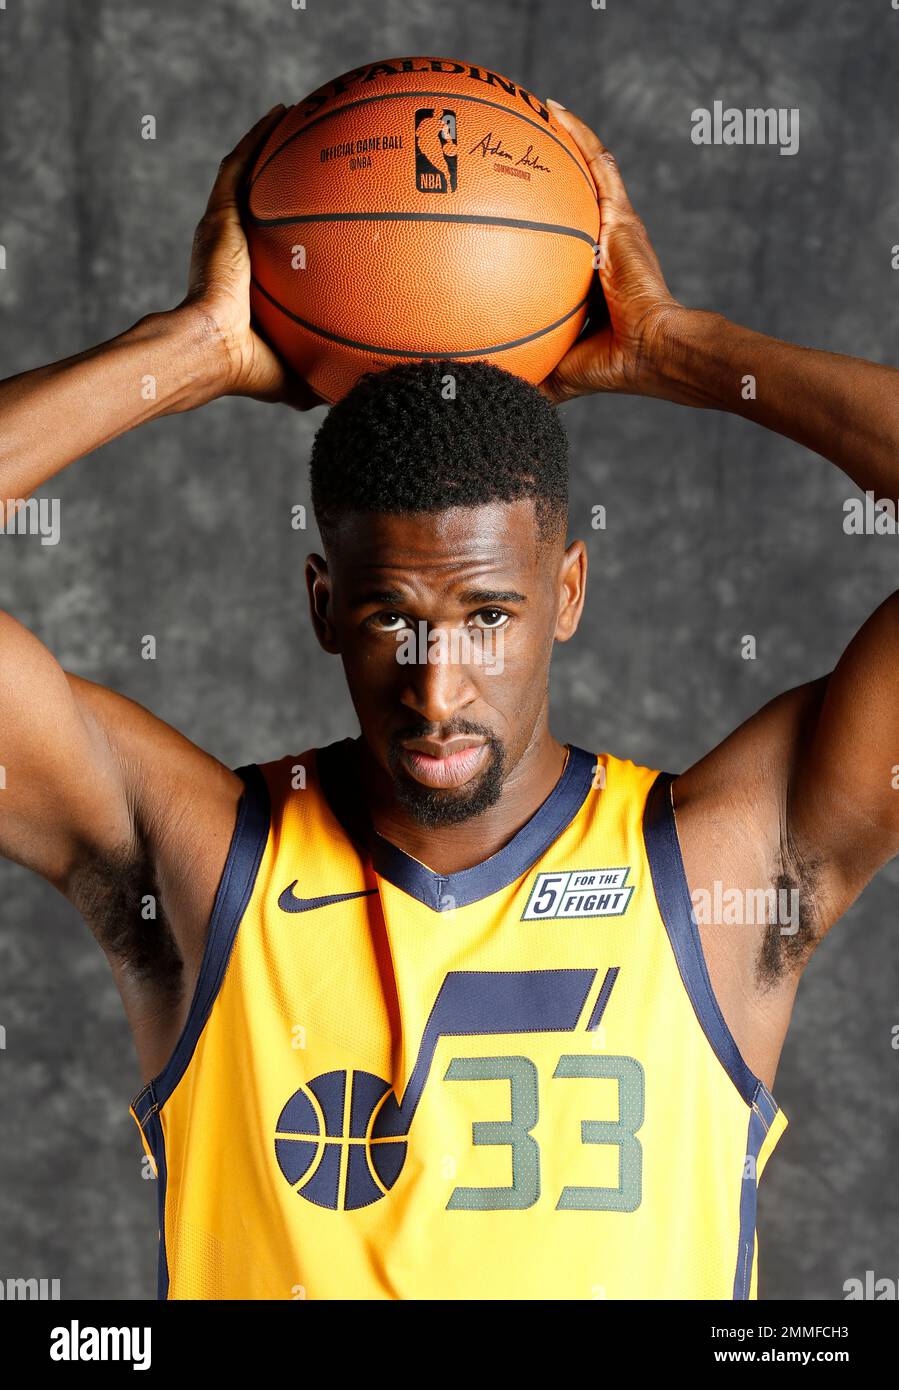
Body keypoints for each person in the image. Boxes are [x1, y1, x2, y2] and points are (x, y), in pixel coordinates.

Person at [1, 102, 896, 1300]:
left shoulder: (723, 870)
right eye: (388, 617)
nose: (437, 685)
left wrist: (684, 346)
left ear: (564, 591)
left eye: (486, 616)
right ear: (323, 605)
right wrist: (185, 355)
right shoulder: (206, 868)